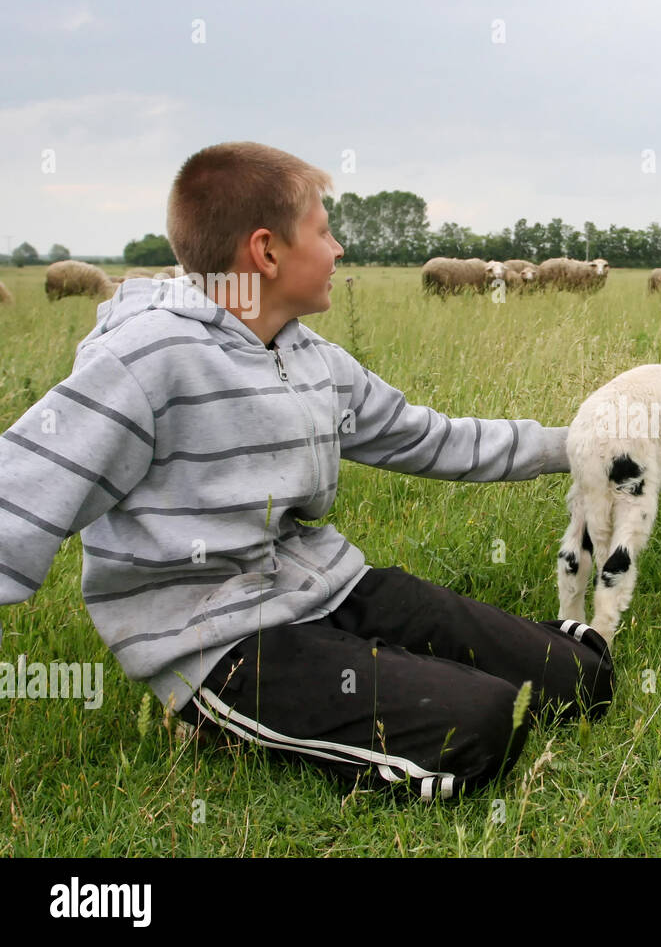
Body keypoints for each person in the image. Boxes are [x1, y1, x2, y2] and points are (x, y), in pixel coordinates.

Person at [0, 142, 612, 800]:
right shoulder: (145, 359)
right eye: (324, 231)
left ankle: (402, 668)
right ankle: (214, 719)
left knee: (580, 679)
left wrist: (581, 447)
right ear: (267, 252)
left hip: (329, 587)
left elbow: (429, 438)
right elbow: (19, 494)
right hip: (221, 641)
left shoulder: (307, 353)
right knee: (480, 730)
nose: (340, 248)